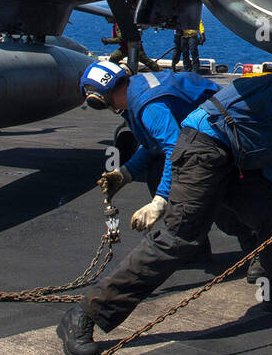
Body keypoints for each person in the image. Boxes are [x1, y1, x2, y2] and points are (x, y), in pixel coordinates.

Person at [58, 72, 272, 355]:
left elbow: (269, 166)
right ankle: (87, 314)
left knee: (271, 214)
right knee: (178, 238)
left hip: (232, 155)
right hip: (203, 150)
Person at [82, 60, 258, 265]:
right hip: (205, 137)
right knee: (157, 171)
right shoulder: (135, 92)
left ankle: (259, 253)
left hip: (226, 138)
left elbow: (175, 151)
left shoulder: (149, 106)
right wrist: (126, 173)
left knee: (217, 201)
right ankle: (193, 249)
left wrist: (160, 200)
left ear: (101, 97)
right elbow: (153, 145)